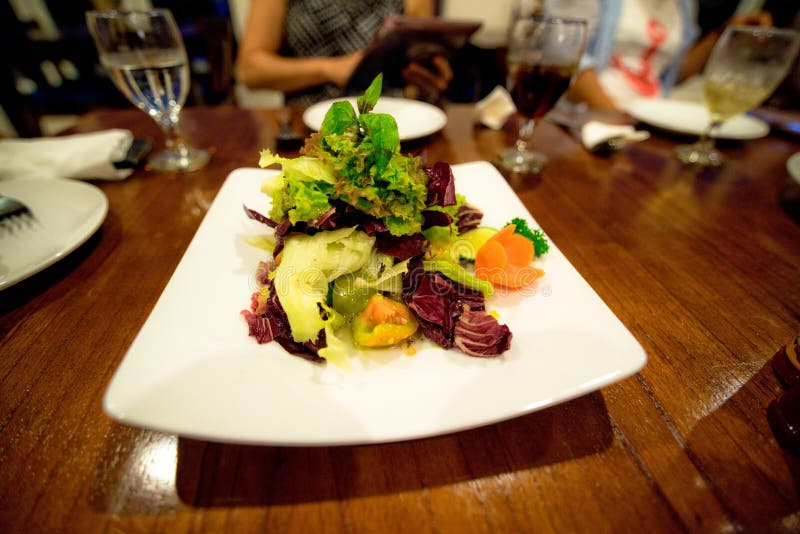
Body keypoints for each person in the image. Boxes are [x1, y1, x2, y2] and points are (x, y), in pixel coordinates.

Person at [543, 0, 772, 112]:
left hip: (649, 119)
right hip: (585, 120)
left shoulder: (683, 5)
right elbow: (564, 55)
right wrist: (619, 119)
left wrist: (724, 33)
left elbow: (671, 74)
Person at [235, 0, 453, 105]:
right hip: (308, 124)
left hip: (396, 119)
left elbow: (418, 47)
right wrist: (330, 69)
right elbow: (250, 70)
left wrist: (427, 73)